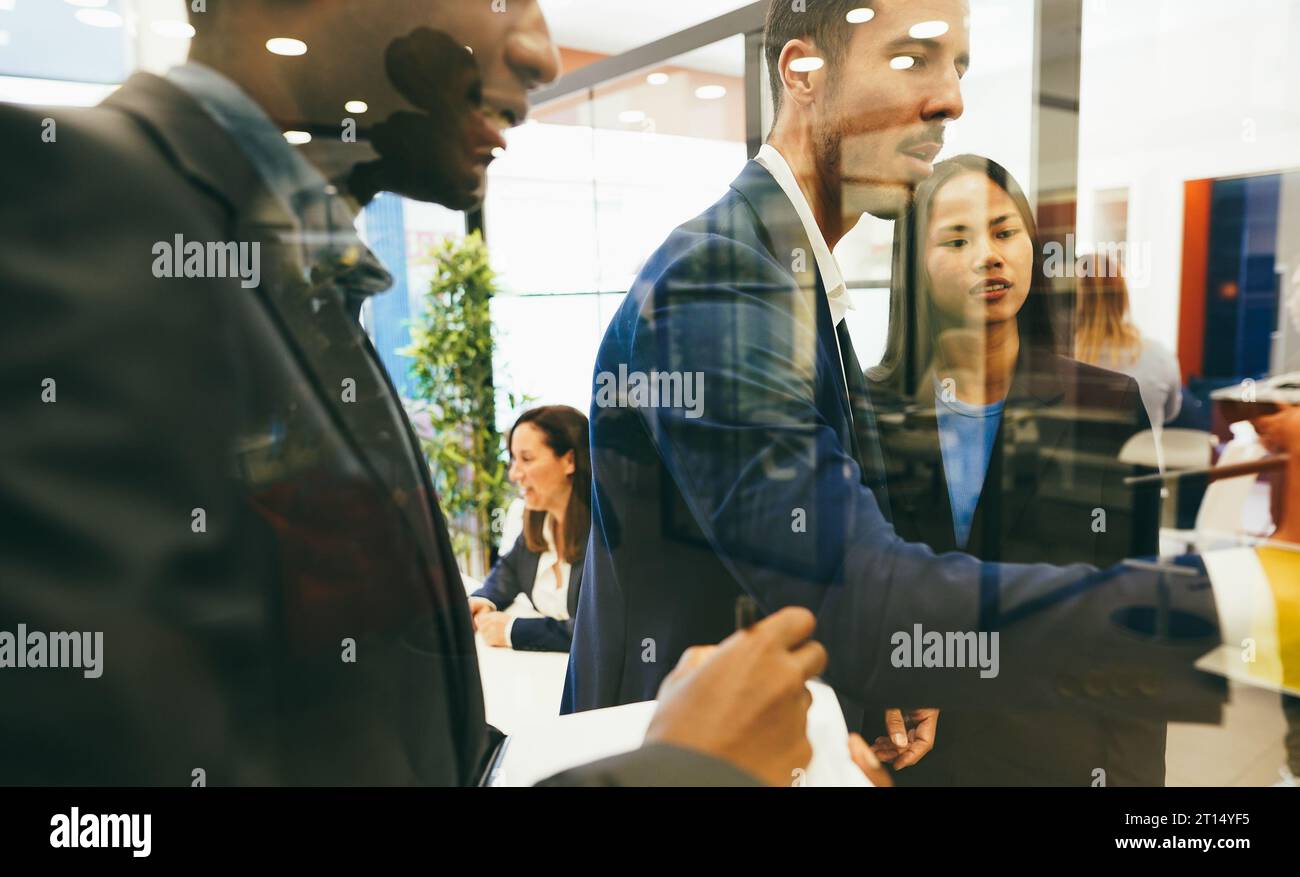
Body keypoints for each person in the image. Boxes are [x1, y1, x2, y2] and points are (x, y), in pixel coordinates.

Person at [0, 0, 872, 787]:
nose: (540, 52)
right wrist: (686, 771)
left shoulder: (301, 283)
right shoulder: (60, 200)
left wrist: (723, 738)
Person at [565, 0, 1232, 784]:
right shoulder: (722, 275)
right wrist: (1207, 611)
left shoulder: (796, 282)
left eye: (960, 67)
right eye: (916, 59)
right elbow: (861, 595)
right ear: (803, 72)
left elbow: (804, 570)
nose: (952, 99)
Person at [866, 155, 1163, 784]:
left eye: (1005, 232)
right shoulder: (863, 408)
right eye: (957, 239)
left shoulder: (1107, 405)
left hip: (1054, 753)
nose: (989, 255)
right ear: (913, 265)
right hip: (907, 759)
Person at [470, 406, 590, 651]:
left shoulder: (607, 539)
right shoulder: (537, 522)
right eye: (513, 459)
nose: (514, 474)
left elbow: (601, 631)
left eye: (526, 459)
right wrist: (483, 600)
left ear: (569, 461)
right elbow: (508, 572)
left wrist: (512, 631)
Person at [1074, 254, 1183, 432]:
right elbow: (1170, 413)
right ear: (1123, 297)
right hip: (1143, 458)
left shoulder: (1059, 357)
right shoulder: (1159, 355)